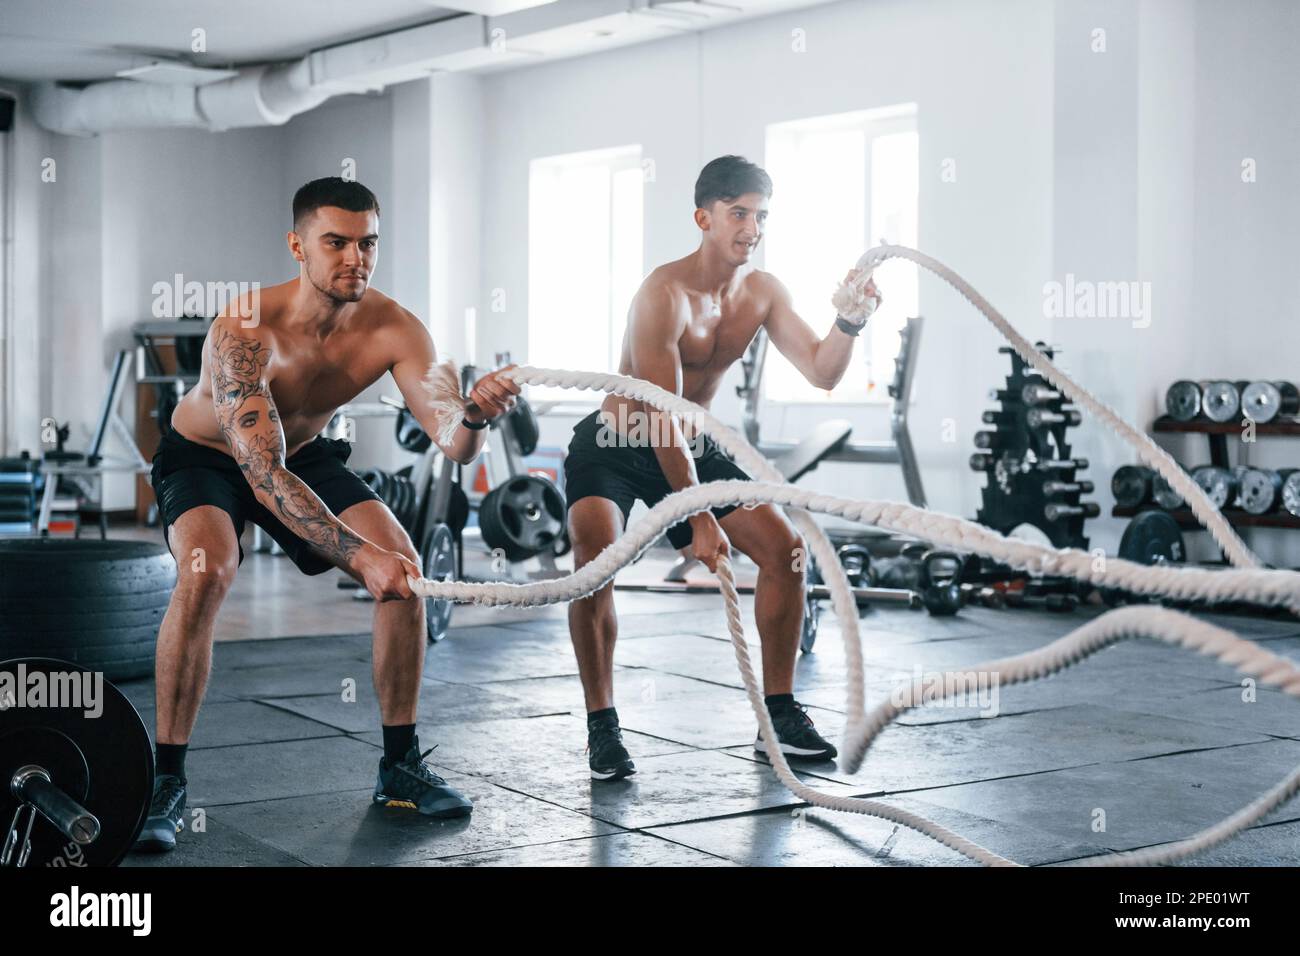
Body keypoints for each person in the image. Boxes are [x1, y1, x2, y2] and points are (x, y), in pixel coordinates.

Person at [136, 177, 520, 851]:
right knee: (209, 568)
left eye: (368, 242)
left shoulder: (395, 327)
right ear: (297, 246)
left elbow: (453, 443)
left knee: (404, 572)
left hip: (303, 452)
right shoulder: (245, 329)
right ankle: (166, 780)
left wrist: (479, 414)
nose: (355, 258)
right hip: (208, 456)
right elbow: (260, 472)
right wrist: (356, 556)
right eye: (335, 242)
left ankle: (400, 767)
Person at [564, 155, 881, 780]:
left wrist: (851, 319)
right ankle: (602, 725)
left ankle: (780, 719)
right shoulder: (662, 293)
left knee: (787, 552)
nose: (751, 228)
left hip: (691, 443)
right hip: (619, 442)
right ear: (703, 217)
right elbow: (659, 415)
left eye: (761, 216)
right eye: (739, 213)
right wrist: (699, 514)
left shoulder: (762, 292)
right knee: (594, 561)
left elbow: (822, 371)